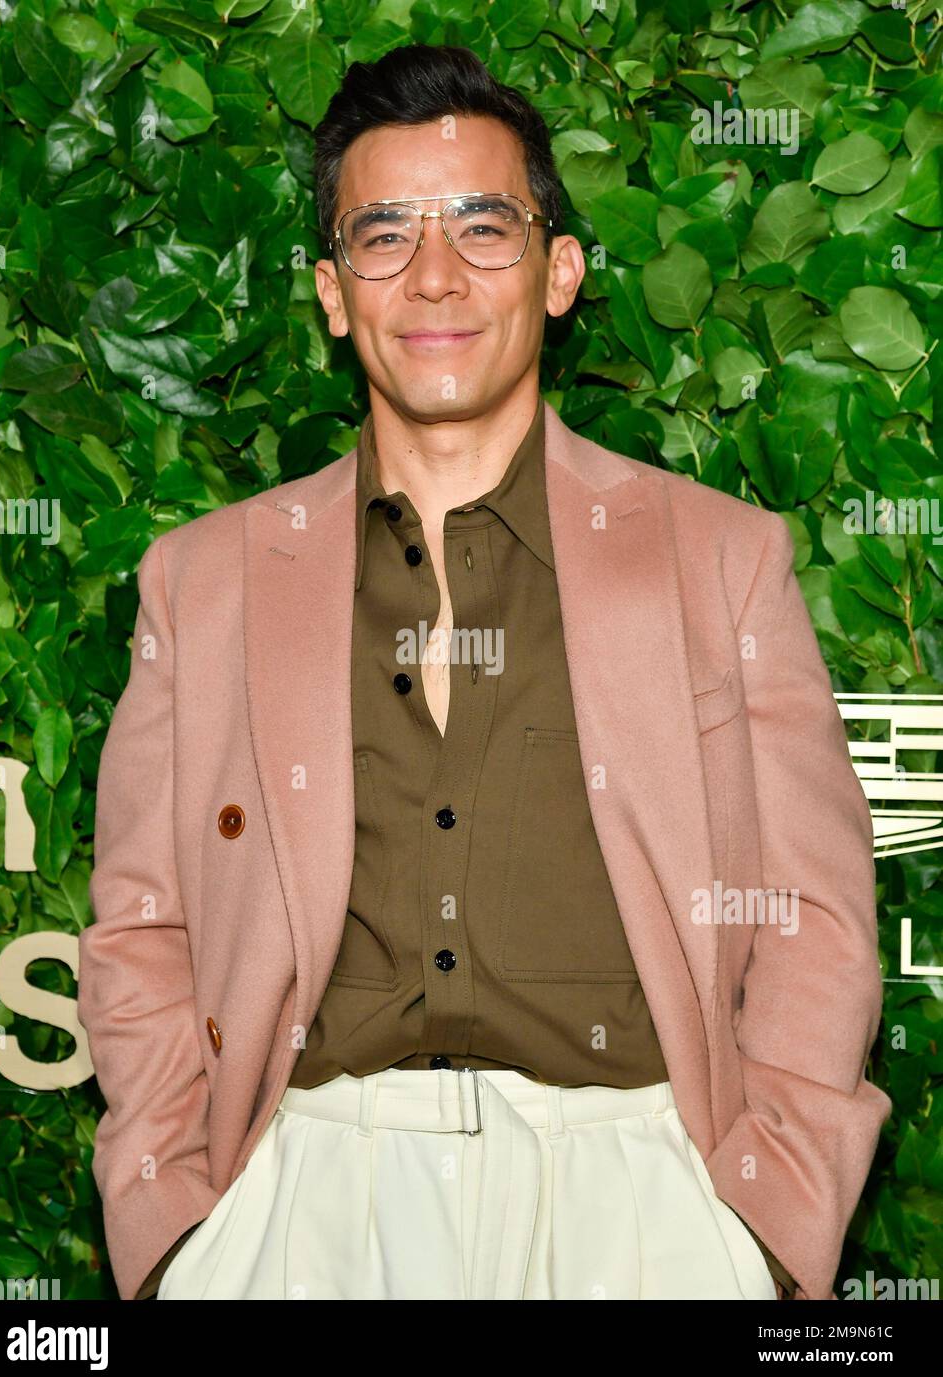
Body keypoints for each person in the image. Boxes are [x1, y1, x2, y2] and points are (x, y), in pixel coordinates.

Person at [77, 43, 891, 1302]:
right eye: (384, 234)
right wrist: (182, 1221)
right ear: (333, 291)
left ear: (559, 270)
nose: (435, 275)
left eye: (483, 226)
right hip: (298, 1208)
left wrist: (764, 1222)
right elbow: (142, 927)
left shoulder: (718, 558)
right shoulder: (206, 581)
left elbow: (814, 914)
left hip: (643, 1204)